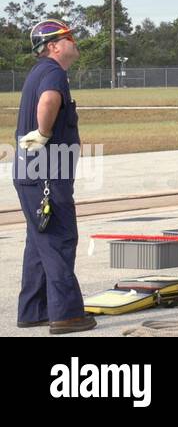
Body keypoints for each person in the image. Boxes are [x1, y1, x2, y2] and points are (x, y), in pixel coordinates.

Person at [14, 19, 95, 334]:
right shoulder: (53, 73)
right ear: (53, 46)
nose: (74, 41)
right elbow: (49, 101)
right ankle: (66, 314)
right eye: (69, 37)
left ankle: (35, 310)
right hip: (46, 174)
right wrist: (44, 133)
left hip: (32, 173)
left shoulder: (38, 73)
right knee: (59, 239)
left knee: (39, 242)